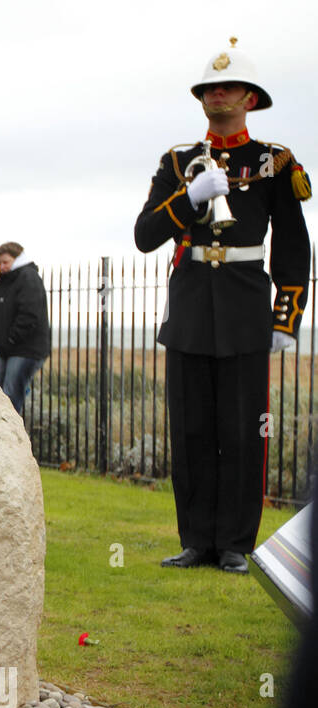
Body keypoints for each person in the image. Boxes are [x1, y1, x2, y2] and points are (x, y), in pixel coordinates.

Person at [135, 38, 310, 574]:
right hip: (190, 308)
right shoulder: (179, 162)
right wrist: (189, 198)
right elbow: (145, 235)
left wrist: (287, 315)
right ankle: (196, 541)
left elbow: (293, 243)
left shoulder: (273, 162)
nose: (218, 95)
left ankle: (235, 543)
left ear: (250, 99)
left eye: (229, 87)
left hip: (243, 309)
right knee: (190, 430)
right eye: (210, 89)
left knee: (241, 430)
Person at [0, 242, 49, 415]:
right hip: (10, 350)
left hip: (25, 349)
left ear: (17, 259)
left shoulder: (28, 277)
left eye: (5, 262)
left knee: (9, 399)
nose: (2, 267)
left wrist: (11, 338)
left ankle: (11, 440)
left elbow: (29, 314)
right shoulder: (6, 281)